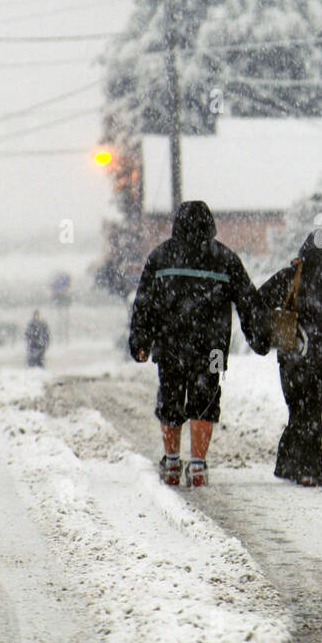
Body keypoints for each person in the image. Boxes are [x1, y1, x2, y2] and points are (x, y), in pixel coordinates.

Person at [128, 200, 267, 488]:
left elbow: (144, 304)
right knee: (206, 402)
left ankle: (172, 461)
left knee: (171, 401)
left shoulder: (161, 257)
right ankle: (199, 464)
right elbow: (248, 301)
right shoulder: (225, 259)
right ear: (211, 226)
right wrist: (258, 336)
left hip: (169, 345)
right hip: (213, 350)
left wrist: (141, 340)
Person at [258, 229, 322, 487]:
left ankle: (297, 466)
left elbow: (258, 298)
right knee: (313, 410)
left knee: (298, 410)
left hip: (295, 353)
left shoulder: (292, 275)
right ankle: (307, 468)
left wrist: (270, 324)